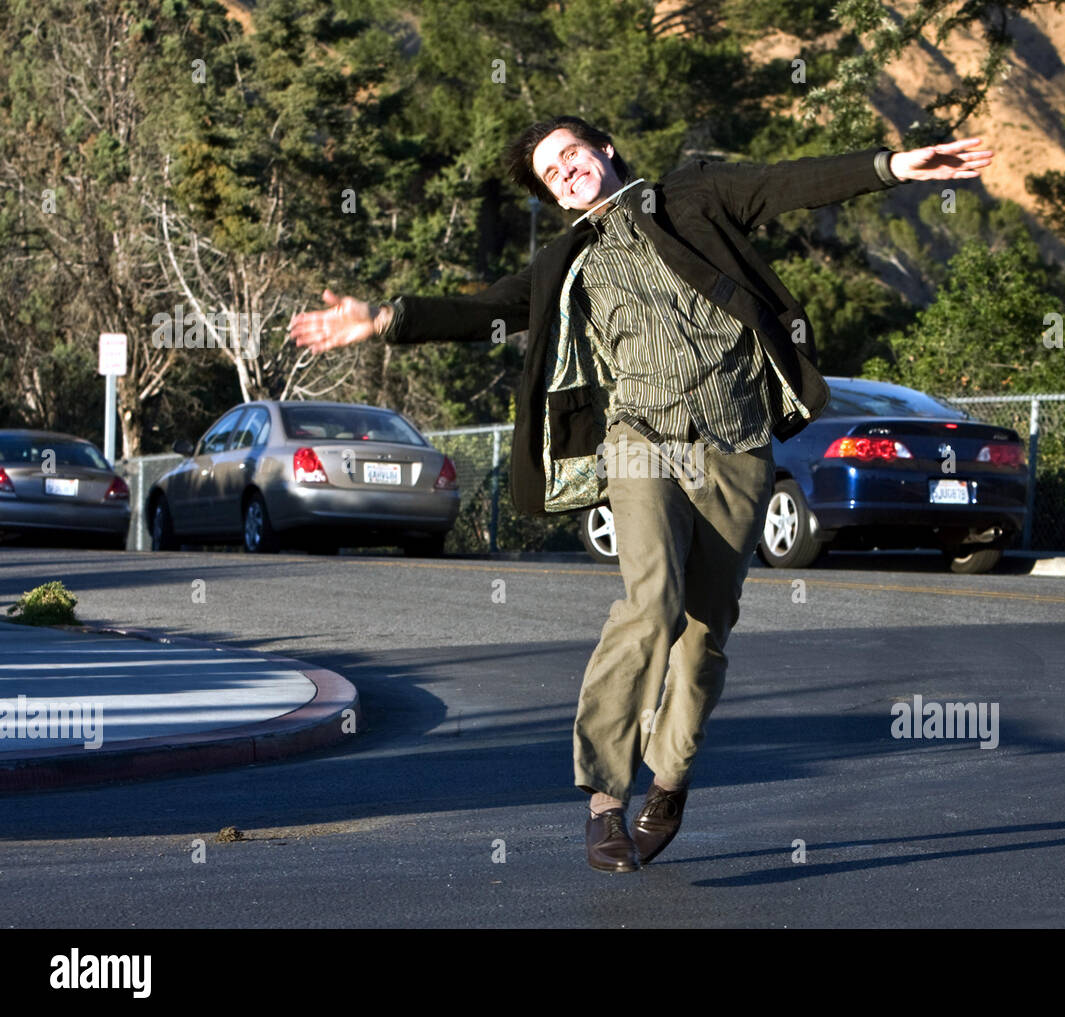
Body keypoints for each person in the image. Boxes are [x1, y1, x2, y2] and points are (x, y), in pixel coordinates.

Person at [290, 116, 993, 873]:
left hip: (736, 444)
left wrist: (891, 166)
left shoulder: (692, 199)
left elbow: (786, 181)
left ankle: (671, 782)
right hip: (640, 440)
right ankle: (603, 798)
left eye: (570, 154)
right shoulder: (567, 259)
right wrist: (385, 318)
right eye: (549, 173)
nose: (564, 172)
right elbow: (488, 308)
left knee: (703, 631)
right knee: (651, 602)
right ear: (553, 199)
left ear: (604, 151)